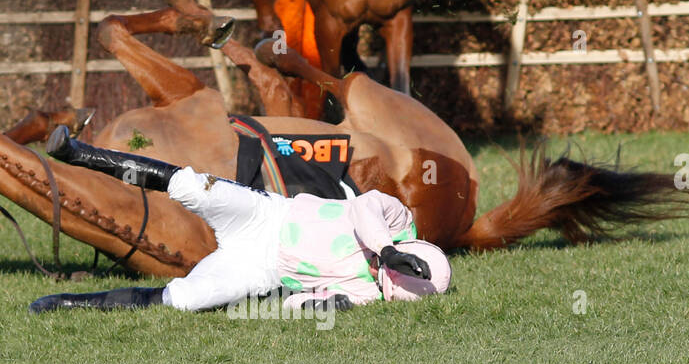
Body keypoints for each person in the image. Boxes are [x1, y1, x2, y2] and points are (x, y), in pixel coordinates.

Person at [29, 128, 451, 314]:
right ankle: (78, 152)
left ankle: (69, 302)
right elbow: (365, 207)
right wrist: (388, 249)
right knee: (190, 186)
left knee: (189, 300)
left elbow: (292, 302)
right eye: (390, 270)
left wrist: (324, 304)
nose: (381, 274)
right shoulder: (397, 224)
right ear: (411, 253)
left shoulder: (368, 295)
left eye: (386, 282)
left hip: (264, 268)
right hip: (267, 214)